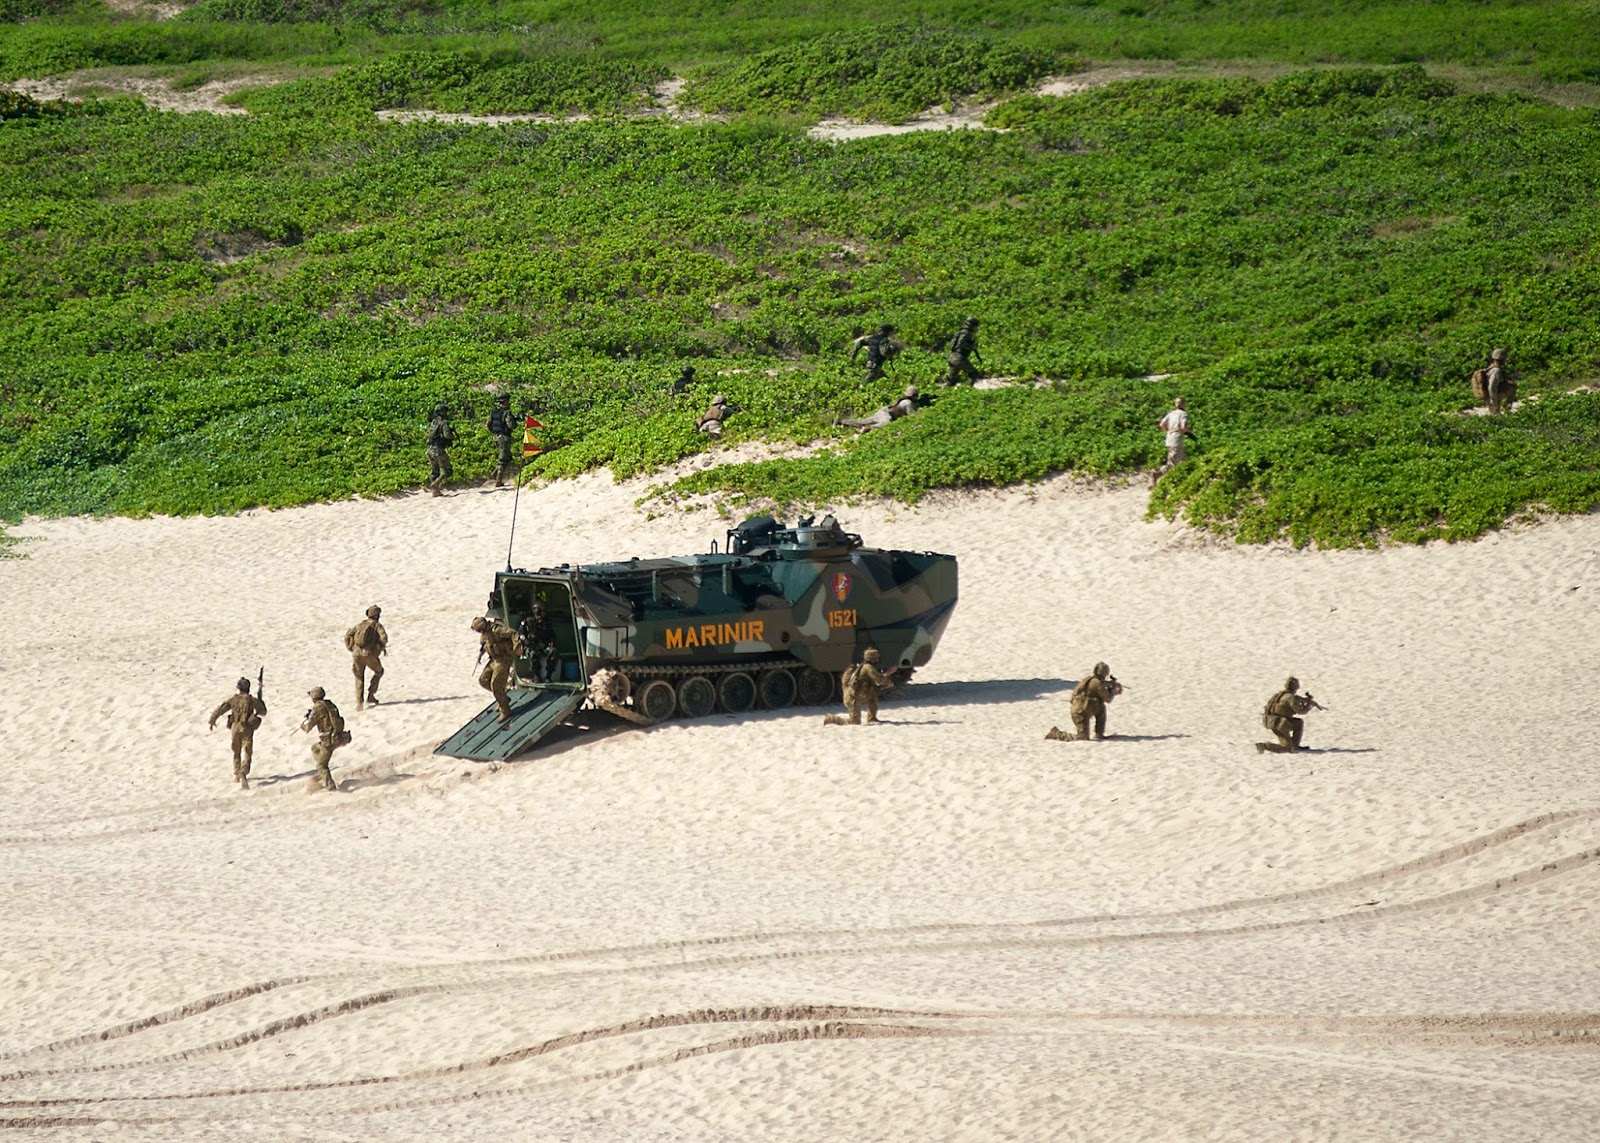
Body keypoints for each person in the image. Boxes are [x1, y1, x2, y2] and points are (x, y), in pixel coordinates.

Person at [208, 676, 267, 788]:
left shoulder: (233, 700)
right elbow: (263, 712)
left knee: (236, 751)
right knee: (247, 752)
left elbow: (221, 709)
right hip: (246, 728)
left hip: (235, 728)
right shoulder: (251, 700)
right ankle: (243, 771)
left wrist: (212, 720)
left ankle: (236, 774)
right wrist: (260, 701)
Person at [1048, 661, 1120, 741]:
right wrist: (1113, 689)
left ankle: (1099, 733)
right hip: (1080, 711)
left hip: (1084, 709)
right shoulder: (1097, 683)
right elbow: (1108, 699)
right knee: (1082, 737)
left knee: (1101, 707)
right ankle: (1056, 734)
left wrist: (1110, 685)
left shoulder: (1091, 680)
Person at [823, 648, 895, 725]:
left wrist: (885, 685)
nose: (878, 660)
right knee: (854, 722)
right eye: (876, 658)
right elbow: (879, 679)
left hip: (857, 694)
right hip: (852, 697)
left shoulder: (865, 666)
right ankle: (831, 718)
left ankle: (871, 718)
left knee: (873, 697)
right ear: (873, 659)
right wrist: (888, 673)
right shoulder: (868, 667)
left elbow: (873, 686)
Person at [472, 615, 520, 721]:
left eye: (479, 630)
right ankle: (503, 698)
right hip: (494, 659)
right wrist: (480, 655)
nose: (479, 632)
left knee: (496, 685)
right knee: (483, 680)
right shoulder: (485, 634)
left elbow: (513, 633)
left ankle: (505, 710)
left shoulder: (496, 630)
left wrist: (516, 646)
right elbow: (485, 645)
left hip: (503, 659)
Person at [300, 686, 347, 791]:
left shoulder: (316, 708)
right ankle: (322, 775)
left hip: (328, 741)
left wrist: (303, 726)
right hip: (338, 736)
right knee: (315, 748)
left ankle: (330, 787)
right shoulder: (329, 704)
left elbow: (308, 728)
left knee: (321, 766)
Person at [344, 604, 387, 710]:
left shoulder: (360, 625)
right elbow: (384, 638)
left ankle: (359, 702)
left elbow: (348, 635)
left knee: (359, 677)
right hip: (369, 654)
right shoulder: (377, 626)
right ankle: (371, 695)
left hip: (356, 654)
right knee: (379, 671)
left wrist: (351, 648)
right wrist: (378, 649)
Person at [1259, 676, 1316, 753]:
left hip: (1271, 721)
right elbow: (1301, 711)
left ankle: (1295, 746)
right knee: (1287, 748)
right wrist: (1309, 705)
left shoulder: (1279, 695)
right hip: (1280, 723)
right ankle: (1265, 746)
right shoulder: (1290, 697)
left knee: (1298, 722)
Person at [843, 385, 922, 430]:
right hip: (886, 415)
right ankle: (869, 428)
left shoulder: (904, 400)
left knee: (863, 421)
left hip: (883, 411)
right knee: (886, 424)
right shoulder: (908, 403)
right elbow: (912, 417)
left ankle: (844, 421)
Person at [517, 601, 558, 683]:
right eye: (543, 611)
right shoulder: (528, 621)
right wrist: (526, 641)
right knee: (533, 654)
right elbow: (521, 633)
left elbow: (552, 634)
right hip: (532, 646)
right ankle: (537, 676)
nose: (544, 613)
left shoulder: (546, 622)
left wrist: (552, 641)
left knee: (553, 652)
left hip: (543, 645)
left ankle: (548, 676)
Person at [1154, 397, 1193, 482]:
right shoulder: (1183, 414)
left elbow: (1161, 424)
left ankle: (1185, 481)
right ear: (1184, 404)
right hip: (1177, 440)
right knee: (1172, 463)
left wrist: (1168, 431)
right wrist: (1190, 432)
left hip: (1169, 439)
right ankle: (1157, 474)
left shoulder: (1171, 413)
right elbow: (1183, 427)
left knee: (1184, 461)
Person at [487, 392, 517, 487]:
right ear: (505, 401)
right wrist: (515, 420)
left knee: (507, 457)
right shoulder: (506, 412)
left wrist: (494, 432)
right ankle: (498, 480)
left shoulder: (494, 411)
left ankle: (495, 473)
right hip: (504, 437)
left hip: (496, 437)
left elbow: (488, 424)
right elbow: (511, 425)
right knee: (503, 459)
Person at [943, 317, 982, 386]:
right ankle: (966, 388)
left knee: (951, 380)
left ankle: (946, 390)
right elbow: (961, 343)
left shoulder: (961, 332)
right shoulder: (966, 333)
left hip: (952, 356)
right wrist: (971, 346)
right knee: (974, 373)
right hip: (959, 357)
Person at [426, 402, 454, 497]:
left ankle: (435, 491)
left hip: (430, 449)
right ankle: (435, 484)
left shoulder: (434, 422)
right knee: (448, 471)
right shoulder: (443, 422)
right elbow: (447, 435)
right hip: (438, 449)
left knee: (435, 472)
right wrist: (452, 436)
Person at [1484, 348, 1516, 415]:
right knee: (1512, 387)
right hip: (1493, 395)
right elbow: (1492, 387)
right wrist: (1494, 401)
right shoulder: (1496, 370)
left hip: (1489, 393)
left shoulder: (1490, 368)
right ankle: (1506, 409)